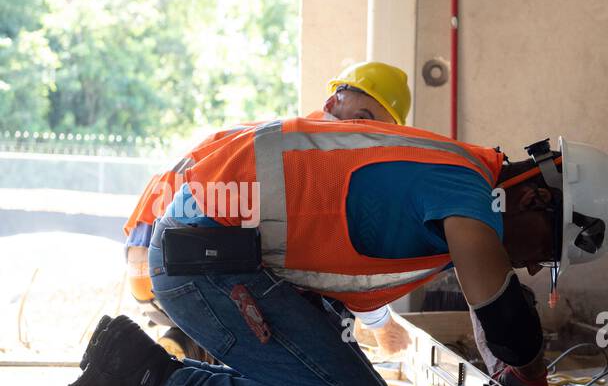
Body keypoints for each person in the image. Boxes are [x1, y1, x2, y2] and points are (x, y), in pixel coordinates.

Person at [55, 120, 608, 386]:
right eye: (546, 252)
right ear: (534, 201)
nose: (534, 263)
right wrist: (527, 371)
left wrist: (505, 365)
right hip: (208, 267)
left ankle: (138, 371)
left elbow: (492, 299)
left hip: (216, 255)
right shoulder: (467, 189)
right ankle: (150, 385)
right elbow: (502, 310)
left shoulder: (459, 173)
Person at [121, 62, 416, 359]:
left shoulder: (276, 137)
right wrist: (381, 325)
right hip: (179, 267)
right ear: (331, 102)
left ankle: (184, 344)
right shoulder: (323, 159)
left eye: (375, 133)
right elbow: (345, 269)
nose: (364, 135)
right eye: (361, 119)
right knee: (315, 312)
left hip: (147, 265)